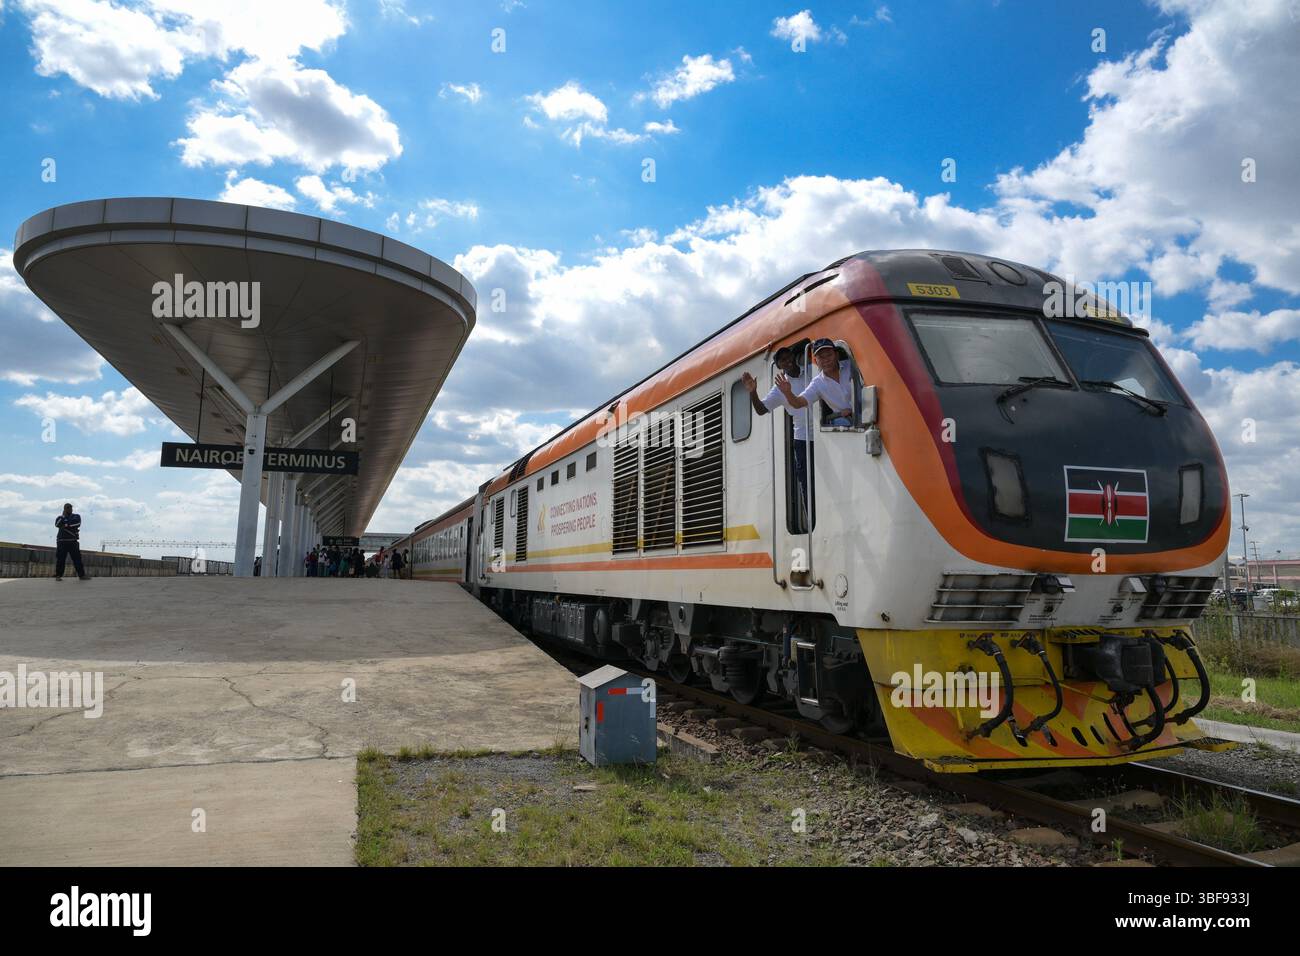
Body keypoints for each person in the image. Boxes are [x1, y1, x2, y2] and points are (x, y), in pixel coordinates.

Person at [742, 344, 811, 526]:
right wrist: (753, 392)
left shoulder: (812, 371)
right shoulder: (780, 388)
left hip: (821, 434)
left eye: (789, 357)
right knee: (806, 483)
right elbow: (761, 409)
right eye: (782, 361)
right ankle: (811, 520)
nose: (787, 362)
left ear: (794, 357)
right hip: (803, 438)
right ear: (779, 366)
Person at [778, 338, 855, 428]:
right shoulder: (817, 383)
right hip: (845, 422)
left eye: (829, 355)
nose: (826, 360)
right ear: (816, 361)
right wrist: (787, 393)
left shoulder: (851, 366)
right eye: (821, 357)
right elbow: (798, 403)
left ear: (836, 355)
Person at [53, 502, 89, 581]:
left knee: (77, 559)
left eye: (70, 508)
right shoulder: (60, 517)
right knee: (60, 559)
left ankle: (82, 575)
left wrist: (66, 525)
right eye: (67, 508)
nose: (69, 509)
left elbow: (77, 523)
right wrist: (64, 517)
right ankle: (58, 575)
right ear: (64, 509)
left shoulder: (76, 516)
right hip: (61, 541)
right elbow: (57, 524)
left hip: (73, 541)